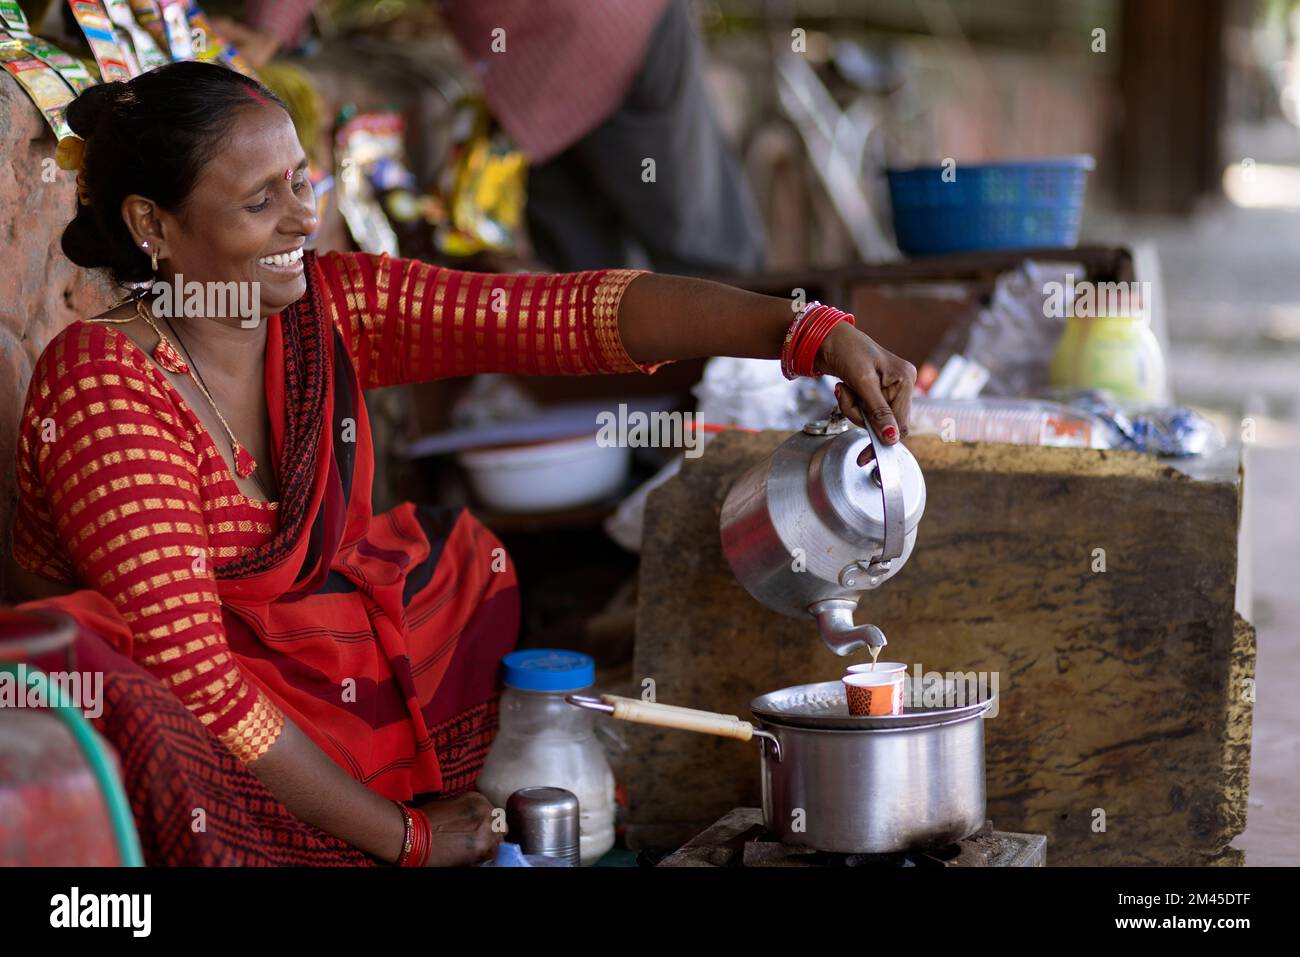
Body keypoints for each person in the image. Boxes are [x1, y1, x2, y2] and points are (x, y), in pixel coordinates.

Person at [6, 62, 913, 866]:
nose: (302, 217)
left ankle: (360, 802)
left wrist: (804, 333)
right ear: (151, 225)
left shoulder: (326, 306)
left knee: (454, 568)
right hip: (184, 709)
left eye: (300, 181)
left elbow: (563, 318)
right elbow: (197, 676)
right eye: (259, 202)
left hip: (288, 673)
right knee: (150, 720)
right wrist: (406, 837)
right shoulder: (104, 384)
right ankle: (354, 822)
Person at [217, 0, 767, 274]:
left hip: (602, 33)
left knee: (696, 242)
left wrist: (269, 28)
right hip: (534, 64)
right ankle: (641, 439)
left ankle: (764, 409)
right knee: (588, 269)